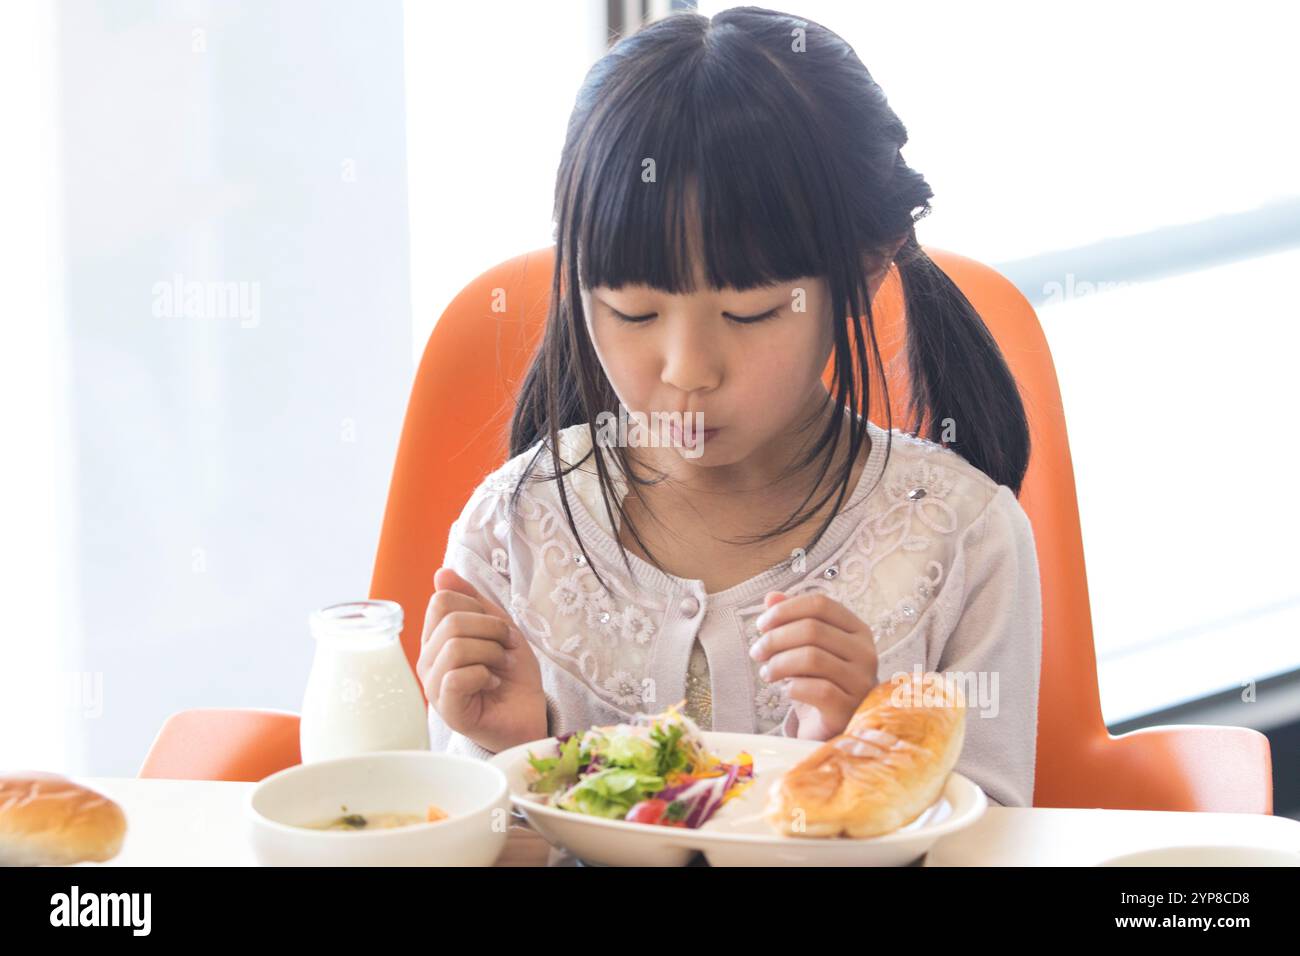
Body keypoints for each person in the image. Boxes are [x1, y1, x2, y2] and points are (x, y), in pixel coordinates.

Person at [418, 6, 1041, 808]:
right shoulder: (513, 534)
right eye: (633, 312)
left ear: (868, 268)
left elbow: (994, 847)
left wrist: (863, 758)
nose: (688, 370)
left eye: (747, 315)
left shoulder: (962, 542)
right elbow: (452, 837)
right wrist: (520, 751)